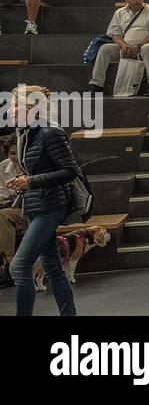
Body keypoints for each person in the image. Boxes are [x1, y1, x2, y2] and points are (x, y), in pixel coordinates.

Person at [5, 84, 78, 316]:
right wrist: (25, 181)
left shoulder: (50, 133)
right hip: (36, 204)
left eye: (15, 105)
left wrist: (31, 181)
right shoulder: (27, 133)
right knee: (52, 266)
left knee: (19, 266)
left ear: (31, 108)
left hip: (51, 205)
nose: (10, 110)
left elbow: (70, 171)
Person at [89, 0, 149, 97]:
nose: (137, 0)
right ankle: (97, 85)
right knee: (105, 48)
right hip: (127, 48)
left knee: (147, 48)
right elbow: (115, 35)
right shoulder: (119, 13)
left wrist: (139, 47)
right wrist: (123, 45)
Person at [0, 135, 27, 289]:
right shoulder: (3, 167)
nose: (15, 157)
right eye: (11, 153)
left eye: (18, 152)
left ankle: (9, 265)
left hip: (32, 209)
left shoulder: (33, 164)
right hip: (12, 207)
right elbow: (2, 193)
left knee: (3, 216)